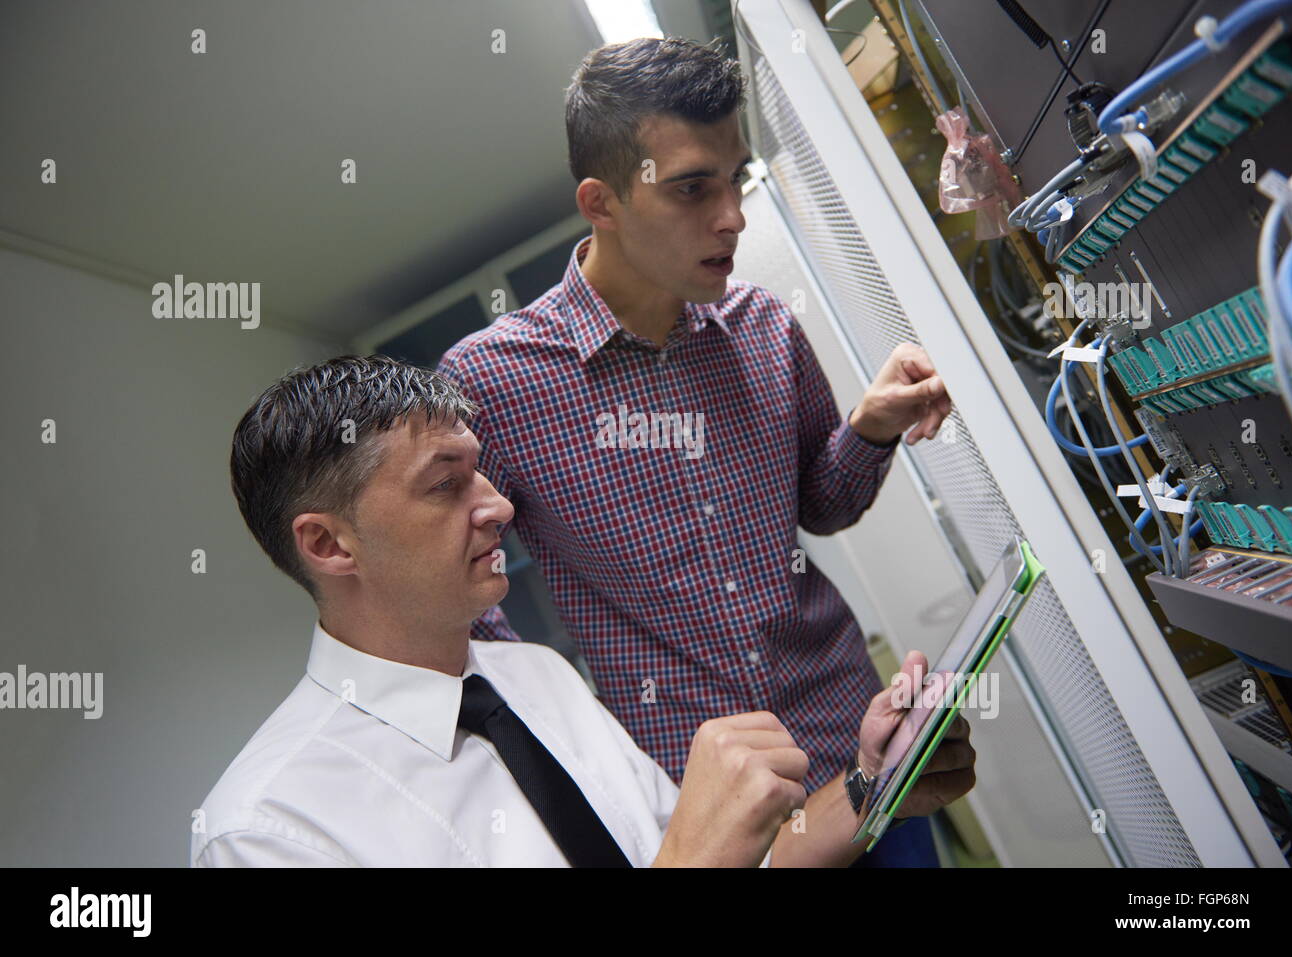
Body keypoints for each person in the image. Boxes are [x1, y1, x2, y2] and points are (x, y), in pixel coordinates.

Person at [436, 37, 954, 866]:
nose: (733, 216)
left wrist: (870, 428)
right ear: (601, 202)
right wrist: (567, 728)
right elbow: (464, 601)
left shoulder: (764, 326)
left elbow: (822, 504)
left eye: (735, 178)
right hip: (708, 805)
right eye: (691, 189)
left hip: (862, 746)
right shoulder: (490, 379)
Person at [191, 356, 975, 867]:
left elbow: (745, 859)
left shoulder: (537, 676)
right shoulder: (270, 829)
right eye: (445, 484)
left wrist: (874, 780)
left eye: (482, 473)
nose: (497, 504)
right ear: (330, 544)